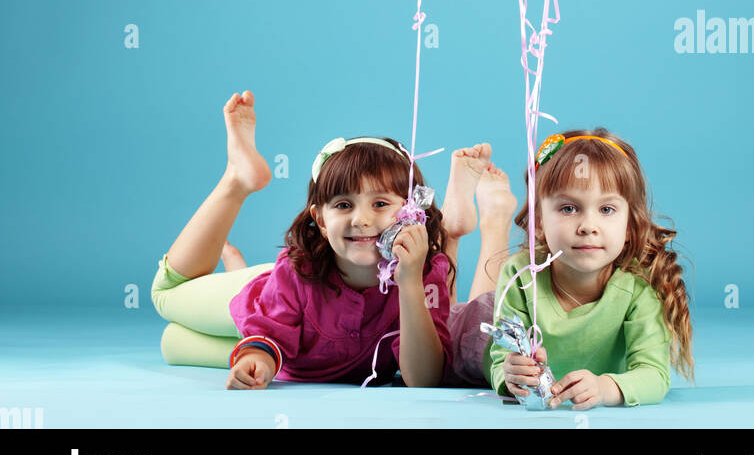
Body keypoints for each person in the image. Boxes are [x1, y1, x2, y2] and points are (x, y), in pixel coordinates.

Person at [149, 91, 515, 388]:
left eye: (381, 203)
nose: (362, 219)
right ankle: (237, 180)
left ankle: (234, 265)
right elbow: (267, 335)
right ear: (321, 220)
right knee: (166, 295)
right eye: (343, 204)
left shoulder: (422, 275)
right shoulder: (298, 270)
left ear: (411, 212)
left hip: (299, 360)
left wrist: (407, 282)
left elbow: (423, 380)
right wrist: (257, 357)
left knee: (172, 345)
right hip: (268, 304)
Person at [483, 128, 695, 408]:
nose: (588, 227)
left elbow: (654, 375)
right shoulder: (520, 275)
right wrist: (510, 375)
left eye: (606, 210)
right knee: (455, 335)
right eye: (569, 209)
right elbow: (498, 359)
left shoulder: (638, 287)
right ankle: (488, 223)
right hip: (475, 337)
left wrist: (605, 387)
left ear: (630, 225)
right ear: (539, 222)